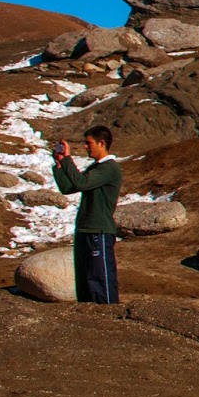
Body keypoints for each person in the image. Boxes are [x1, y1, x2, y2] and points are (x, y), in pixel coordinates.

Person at [51, 126, 123, 304]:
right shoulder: (96, 168)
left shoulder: (109, 168)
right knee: (84, 280)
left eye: (88, 143)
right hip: (85, 229)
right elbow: (69, 187)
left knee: (99, 280)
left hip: (98, 230)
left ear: (102, 143)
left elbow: (81, 183)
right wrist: (59, 165)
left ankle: (108, 316)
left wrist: (67, 158)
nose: (85, 147)